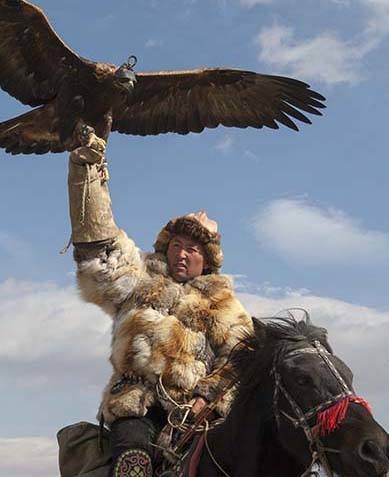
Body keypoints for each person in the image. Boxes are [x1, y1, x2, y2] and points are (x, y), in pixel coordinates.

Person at [67, 124, 254, 477]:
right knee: (131, 465)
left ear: (208, 259)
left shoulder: (223, 302)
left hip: (198, 412)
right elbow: (100, 246)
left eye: (193, 249)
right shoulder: (139, 277)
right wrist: (86, 175)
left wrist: (209, 397)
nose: (183, 255)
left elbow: (243, 356)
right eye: (177, 246)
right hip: (136, 404)